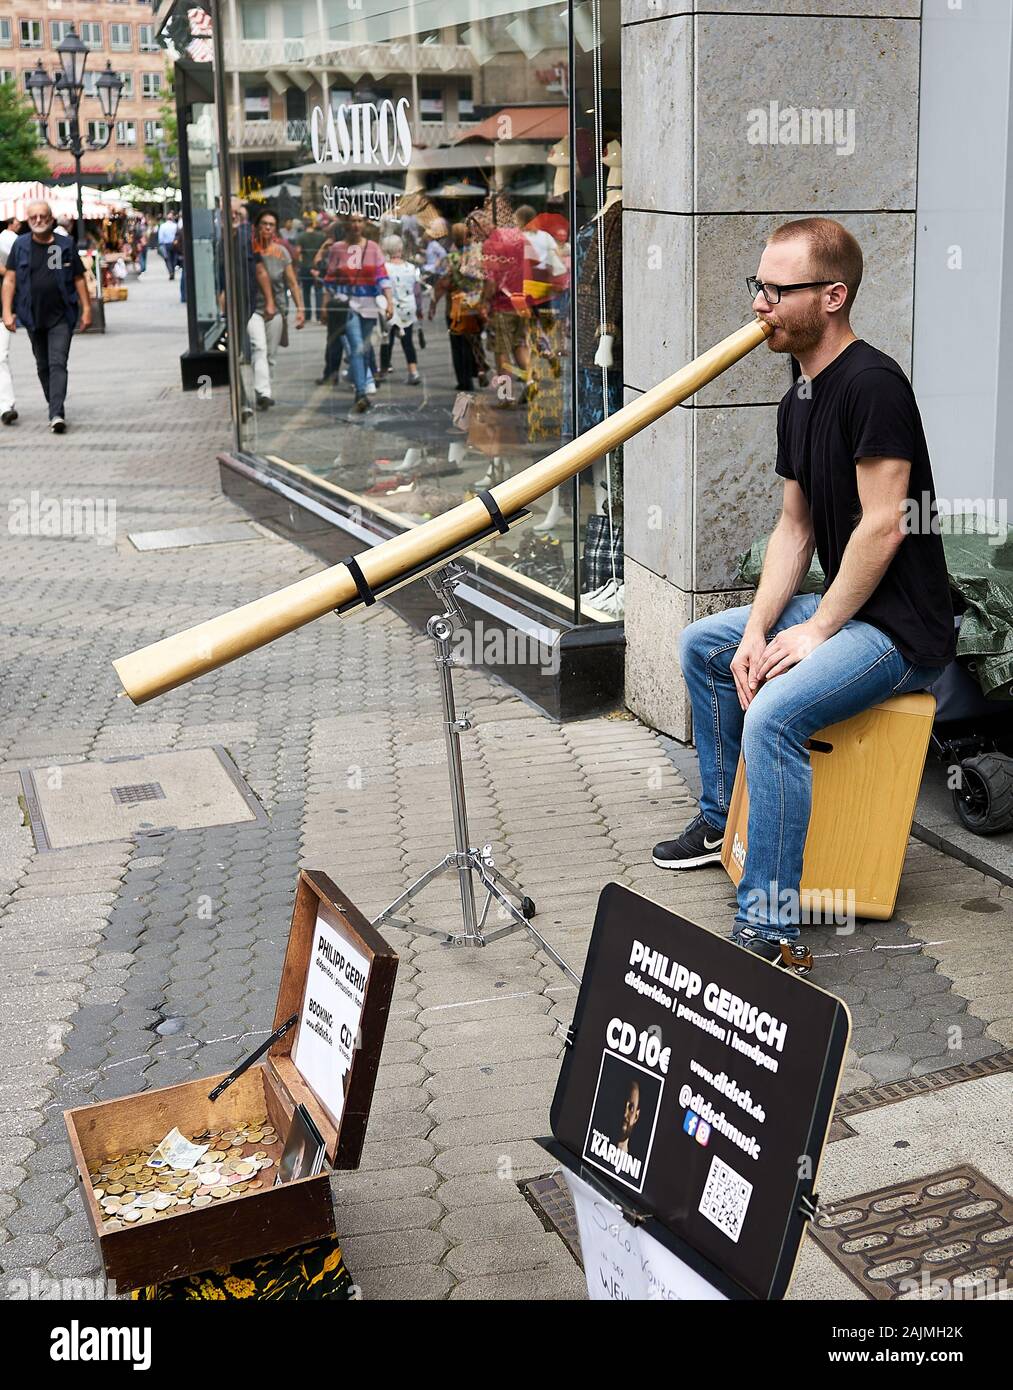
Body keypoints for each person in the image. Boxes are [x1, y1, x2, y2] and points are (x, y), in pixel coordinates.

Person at [652, 218, 955, 963]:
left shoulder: (872, 385)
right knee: (706, 645)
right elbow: (795, 528)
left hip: (899, 631)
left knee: (775, 719)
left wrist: (814, 629)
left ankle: (767, 922)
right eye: (757, 285)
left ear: (831, 296)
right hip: (847, 612)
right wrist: (756, 630)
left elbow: (883, 528)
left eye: (775, 290)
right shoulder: (801, 393)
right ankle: (723, 821)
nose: (759, 303)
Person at [1, 200, 91, 433]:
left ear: (51, 219)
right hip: (32, 316)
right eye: (34, 217)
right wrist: (6, 311)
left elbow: (78, 278)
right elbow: (10, 280)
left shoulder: (64, 245)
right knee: (42, 366)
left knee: (57, 362)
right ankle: (54, 402)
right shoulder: (20, 246)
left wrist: (87, 309)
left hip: (62, 315)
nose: (39, 221)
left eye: (43, 216)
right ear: (27, 221)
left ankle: (56, 413)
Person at [321, 212, 393, 413]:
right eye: (352, 221)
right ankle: (361, 393)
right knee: (356, 347)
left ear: (364, 224)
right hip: (347, 305)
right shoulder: (337, 248)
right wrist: (324, 306)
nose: (356, 225)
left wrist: (389, 301)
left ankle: (360, 386)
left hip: (368, 305)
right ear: (346, 224)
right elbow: (329, 279)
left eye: (359, 221)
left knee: (364, 349)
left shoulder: (373, 248)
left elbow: (382, 276)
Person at [247, 207, 304, 409]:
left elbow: (292, 282)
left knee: (270, 355)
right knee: (259, 348)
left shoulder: (281, 252)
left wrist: (300, 309)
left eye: (271, 225)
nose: (268, 228)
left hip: (277, 310)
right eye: (264, 224)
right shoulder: (250, 250)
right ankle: (264, 392)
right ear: (256, 227)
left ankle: (262, 389)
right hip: (253, 309)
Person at [431, 220, 488, 391]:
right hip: (476, 307)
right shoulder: (479, 258)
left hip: (456, 309)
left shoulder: (450, 259)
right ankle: (479, 369)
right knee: (474, 341)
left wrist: (433, 303)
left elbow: (443, 284)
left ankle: (465, 381)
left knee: (459, 345)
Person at [378, 235, 421, 385]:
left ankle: (383, 370)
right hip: (408, 306)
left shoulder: (384, 268)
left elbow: (381, 287)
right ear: (400, 248)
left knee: (386, 340)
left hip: (389, 307)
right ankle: (413, 371)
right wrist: (419, 308)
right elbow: (417, 290)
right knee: (407, 340)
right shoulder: (411, 268)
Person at [0, 217, 21, 425]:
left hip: (2, 312)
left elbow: (13, 275)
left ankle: (5, 406)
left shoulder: (6, 242)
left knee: (1, 357)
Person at [157, 212, 179, 279]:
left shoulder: (163, 226)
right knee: (174, 258)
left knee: (167, 259)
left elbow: (160, 238)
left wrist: (161, 244)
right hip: (174, 244)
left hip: (166, 244)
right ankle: (172, 271)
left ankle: (171, 271)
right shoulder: (175, 225)